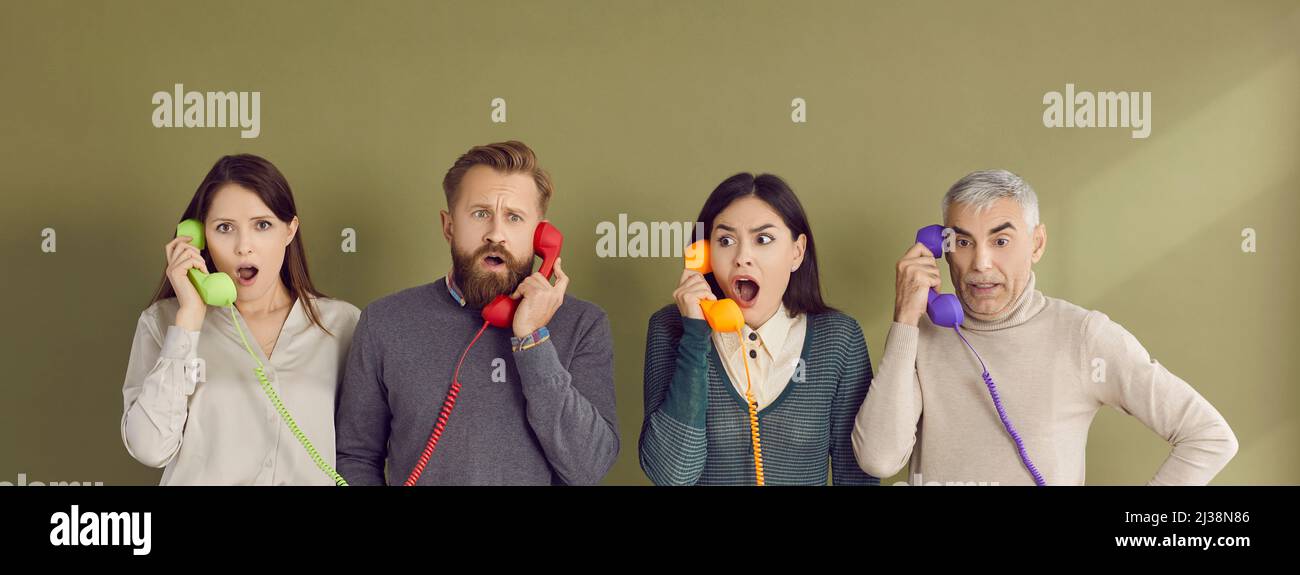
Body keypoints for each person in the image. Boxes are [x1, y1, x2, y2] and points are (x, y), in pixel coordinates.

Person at [853, 169, 1238, 485]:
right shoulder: (922, 335)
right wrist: (904, 321)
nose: (981, 263)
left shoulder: (1083, 336)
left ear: (1036, 244)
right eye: (963, 242)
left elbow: (1209, 436)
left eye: (1001, 240)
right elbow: (879, 459)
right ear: (941, 248)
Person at [336, 140, 618, 485]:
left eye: (514, 218)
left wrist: (532, 339)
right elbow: (355, 456)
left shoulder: (583, 324)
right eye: (480, 213)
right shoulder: (384, 322)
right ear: (449, 225)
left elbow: (589, 467)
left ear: (540, 235)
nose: (496, 234)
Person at [122, 154, 360, 485]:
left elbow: (364, 450)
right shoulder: (164, 322)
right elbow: (149, 448)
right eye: (224, 228)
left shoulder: (343, 325)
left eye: (262, 225)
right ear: (198, 236)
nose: (243, 247)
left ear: (289, 231)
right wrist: (189, 320)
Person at [639, 172, 877, 485]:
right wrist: (695, 335)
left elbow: (856, 477)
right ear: (705, 255)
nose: (742, 258)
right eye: (725, 241)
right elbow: (672, 474)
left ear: (797, 252)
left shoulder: (838, 340)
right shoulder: (670, 329)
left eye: (763, 239)